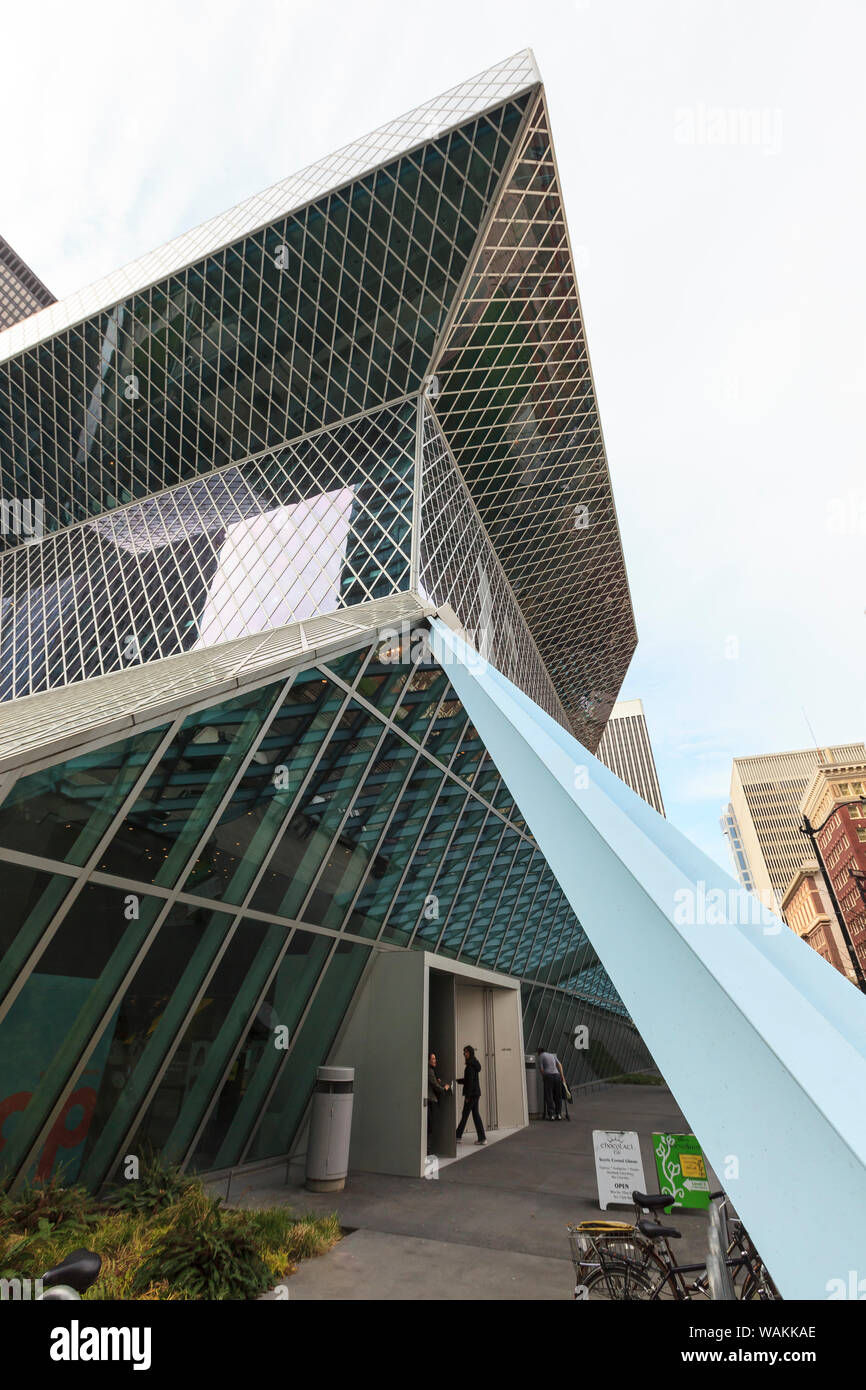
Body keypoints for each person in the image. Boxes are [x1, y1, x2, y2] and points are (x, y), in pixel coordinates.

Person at [455, 1044, 486, 1144]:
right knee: (475, 1115)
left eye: (466, 1052)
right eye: (464, 1052)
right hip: (475, 1093)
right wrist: (457, 1081)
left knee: (465, 1115)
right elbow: (469, 1080)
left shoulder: (470, 1066)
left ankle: (457, 1136)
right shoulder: (474, 1064)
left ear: (470, 1053)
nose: (464, 1054)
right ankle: (482, 1138)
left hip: (472, 1094)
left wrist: (467, 1096)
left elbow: (470, 1083)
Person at [427, 1051, 450, 1155]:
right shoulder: (429, 1071)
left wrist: (438, 1082)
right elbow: (435, 1085)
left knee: (430, 1126)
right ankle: (428, 1150)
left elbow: (435, 1082)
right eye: (432, 1059)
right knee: (430, 1127)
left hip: (431, 1100)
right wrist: (444, 1089)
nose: (434, 1060)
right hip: (431, 1101)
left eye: (435, 1058)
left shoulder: (431, 1071)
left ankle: (428, 1149)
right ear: (427, 1061)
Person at [537, 1045, 565, 1120]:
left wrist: (544, 1077)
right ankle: (558, 1114)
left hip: (549, 1076)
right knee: (558, 1095)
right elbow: (559, 1065)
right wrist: (562, 1076)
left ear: (539, 1052)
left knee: (549, 1096)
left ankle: (551, 1115)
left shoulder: (541, 1056)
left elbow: (541, 1069)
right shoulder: (552, 1055)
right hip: (557, 1076)